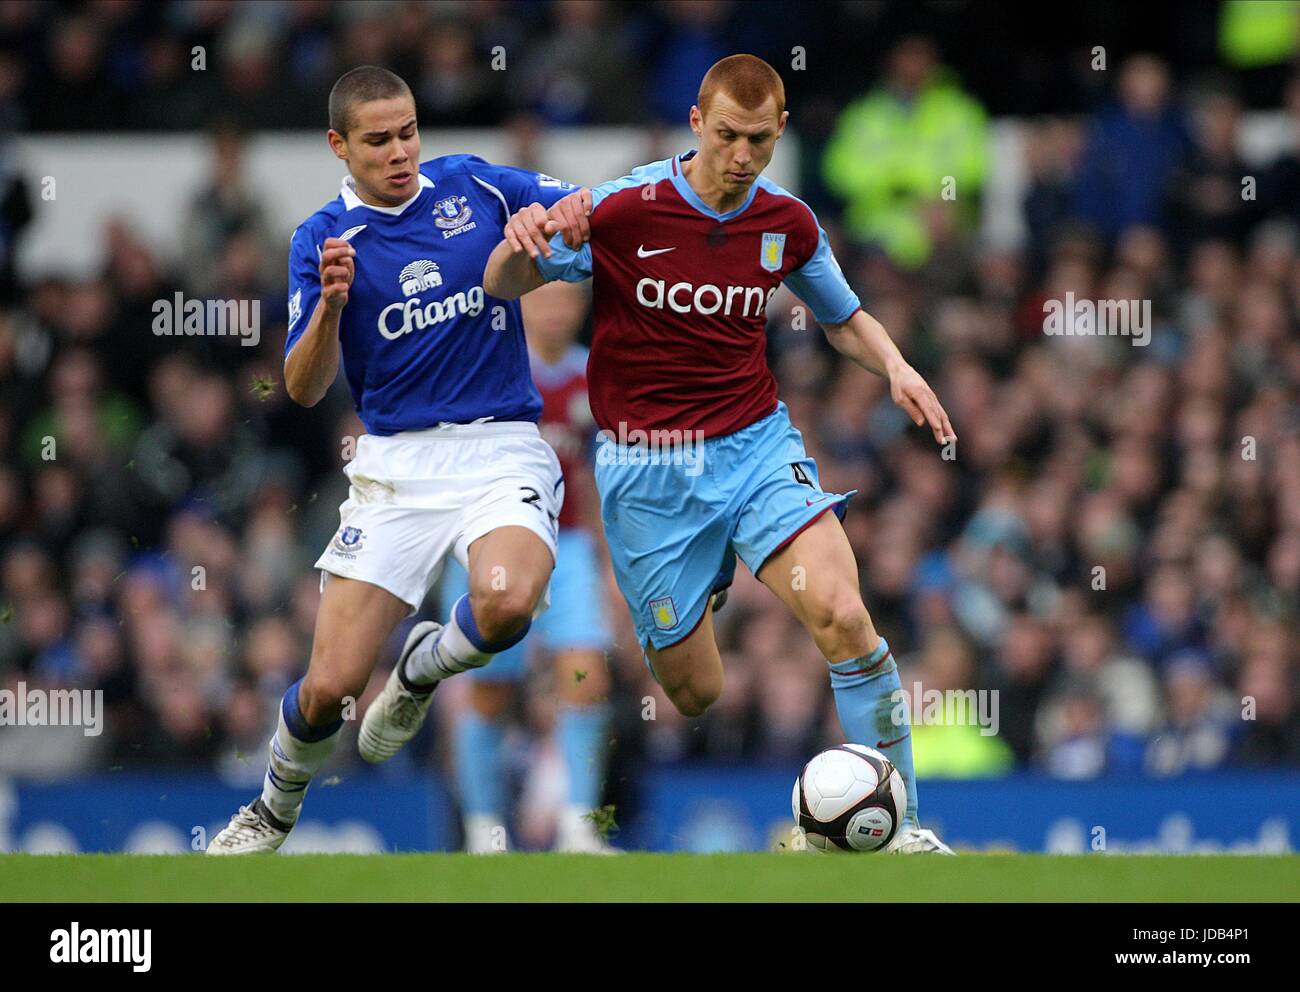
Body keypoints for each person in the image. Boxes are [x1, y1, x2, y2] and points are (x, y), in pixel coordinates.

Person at [484, 55, 957, 853]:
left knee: (845, 617)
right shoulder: (621, 208)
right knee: (695, 691)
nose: (743, 157)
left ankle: (903, 826)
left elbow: (842, 317)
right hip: (646, 472)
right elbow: (502, 283)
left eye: (761, 141)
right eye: (729, 136)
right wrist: (523, 240)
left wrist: (898, 367)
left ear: (780, 132)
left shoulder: (787, 222)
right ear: (698, 123)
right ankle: (703, 586)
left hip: (754, 449)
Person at [207, 65, 587, 854]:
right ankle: (274, 809)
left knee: (509, 602)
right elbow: (304, 388)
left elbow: (580, 200)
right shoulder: (321, 240)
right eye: (378, 139)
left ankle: (422, 668)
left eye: (408, 131)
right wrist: (332, 308)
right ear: (339, 145)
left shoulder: (473, 186)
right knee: (330, 689)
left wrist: (555, 222)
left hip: (501, 443)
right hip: (395, 468)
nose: (400, 151)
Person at [440, 281, 616, 854]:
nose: (559, 312)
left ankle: (578, 825)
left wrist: (608, 561)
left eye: (570, 301)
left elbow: (593, 475)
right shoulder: (488, 369)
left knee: (586, 673)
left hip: (568, 549)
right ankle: (484, 829)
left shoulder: (593, 375)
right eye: (547, 299)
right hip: (495, 552)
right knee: (490, 692)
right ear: (521, 303)